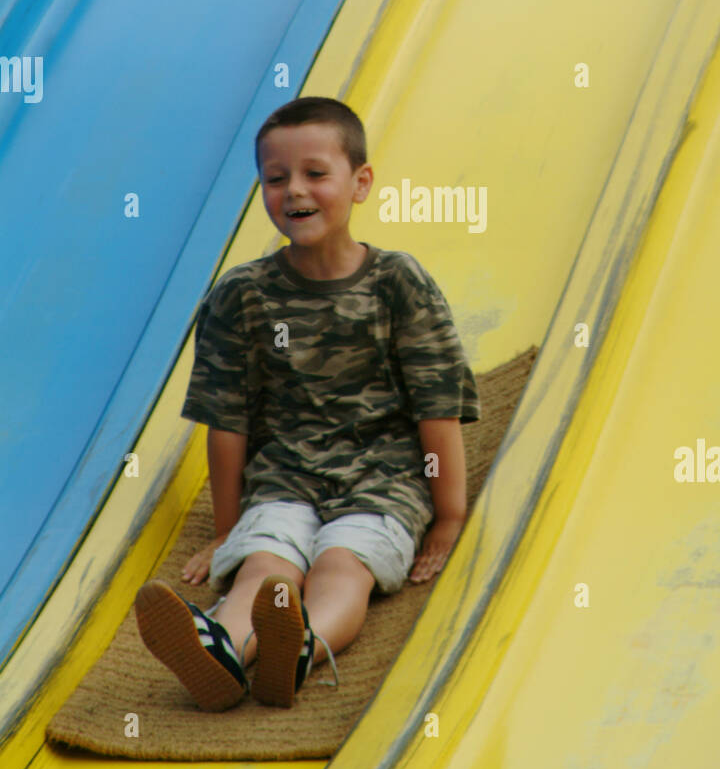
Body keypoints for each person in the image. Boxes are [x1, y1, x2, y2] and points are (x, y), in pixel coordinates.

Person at [135, 96, 480, 711]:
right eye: (275, 178)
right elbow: (227, 423)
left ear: (361, 182)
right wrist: (228, 527)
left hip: (385, 480)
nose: (294, 189)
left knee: (342, 563)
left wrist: (448, 515)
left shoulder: (399, 284)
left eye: (316, 173)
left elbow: (437, 407)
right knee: (263, 564)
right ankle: (220, 648)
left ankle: (299, 647)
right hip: (284, 480)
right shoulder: (241, 295)